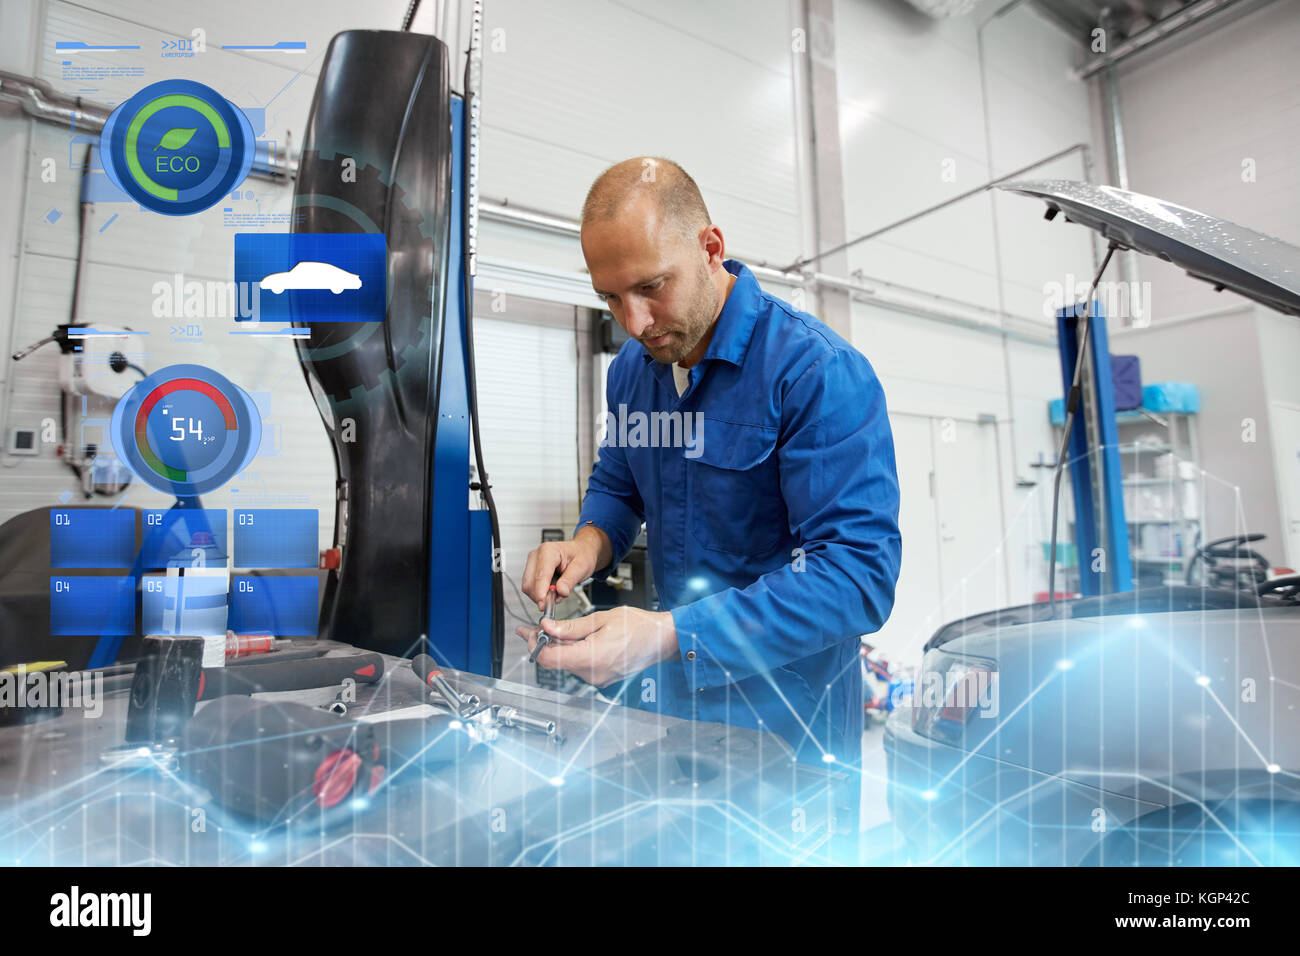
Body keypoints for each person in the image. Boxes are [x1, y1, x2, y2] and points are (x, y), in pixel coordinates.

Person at [517, 156, 901, 783]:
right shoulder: (632, 372)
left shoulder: (815, 372)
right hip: (671, 717)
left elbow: (857, 578)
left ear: (710, 247)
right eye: (610, 297)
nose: (633, 323)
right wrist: (587, 543)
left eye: (650, 288)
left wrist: (667, 634)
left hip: (790, 733)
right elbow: (619, 482)